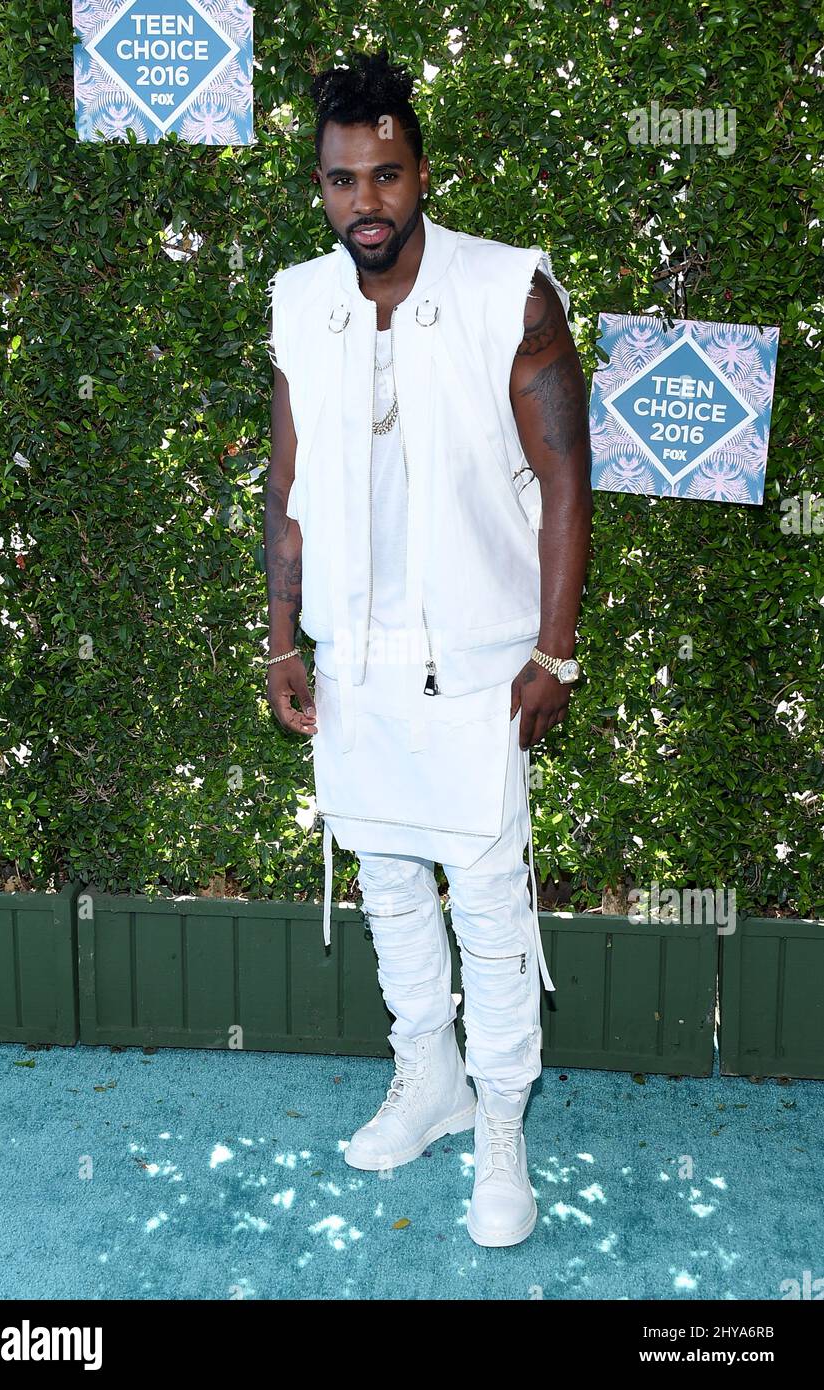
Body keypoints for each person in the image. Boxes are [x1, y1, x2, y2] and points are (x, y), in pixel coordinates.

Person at [264, 47, 592, 1248]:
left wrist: (552, 655)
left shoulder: (511, 289)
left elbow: (567, 480)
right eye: (344, 181)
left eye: (388, 175)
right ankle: (430, 1079)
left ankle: (502, 1119)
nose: (368, 203)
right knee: (392, 887)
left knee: (491, 899)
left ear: (421, 171)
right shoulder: (298, 299)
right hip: (353, 652)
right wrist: (279, 642)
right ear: (320, 186)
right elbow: (285, 480)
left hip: (478, 655)